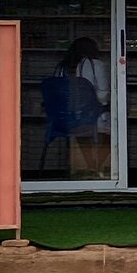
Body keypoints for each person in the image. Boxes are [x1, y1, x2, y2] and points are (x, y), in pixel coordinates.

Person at [54, 38, 110, 175]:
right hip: (92, 117)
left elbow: (58, 94)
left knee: (83, 129)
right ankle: (96, 166)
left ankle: (91, 166)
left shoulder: (62, 67)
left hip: (65, 118)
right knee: (115, 130)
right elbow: (103, 94)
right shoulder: (95, 65)